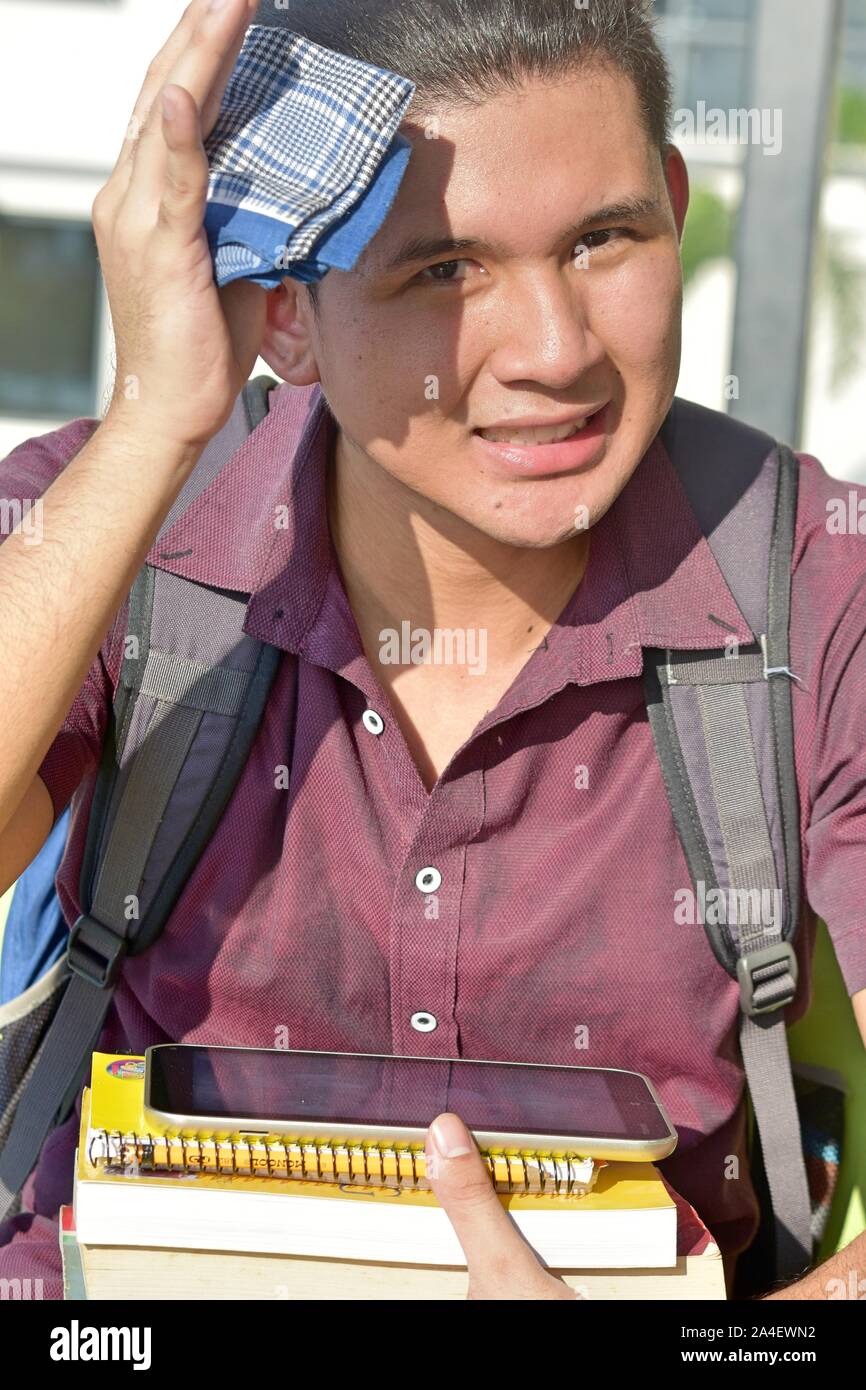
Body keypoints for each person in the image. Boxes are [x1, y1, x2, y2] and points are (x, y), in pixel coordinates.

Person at [0, 0, 864, 1302]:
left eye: (601, 239)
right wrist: (151, 419)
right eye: (442, 271)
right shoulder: (106, 523)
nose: (556, 350)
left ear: (675, 205)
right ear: (282, 315)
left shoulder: (813, 580)